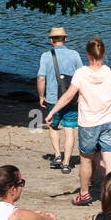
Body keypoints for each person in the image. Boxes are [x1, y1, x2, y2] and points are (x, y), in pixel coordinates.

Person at [45, 37, 111, 207]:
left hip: (89, 122)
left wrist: (52, 112)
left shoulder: (81, 73)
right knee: (110, 159)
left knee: (86, 159)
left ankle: (84, 194)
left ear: (87, 54)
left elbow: (68, 96)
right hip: (110, 120)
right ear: (103, 54)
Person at [36, 27, 83, 173]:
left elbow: (41, 78)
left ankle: (57, 155)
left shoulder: (45, 56)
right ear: (65, 39)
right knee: (69, 129)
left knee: (53, 126)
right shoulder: (74, 55)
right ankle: (66, 162)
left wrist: (41, 96)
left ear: (51, 40)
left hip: (52, 97)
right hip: (71, 97)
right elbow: (82, 75)